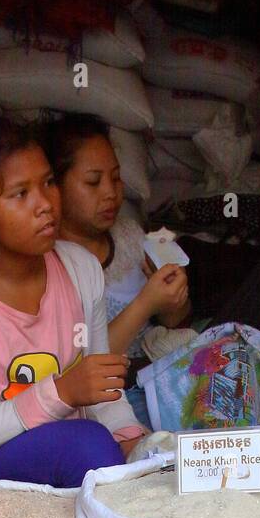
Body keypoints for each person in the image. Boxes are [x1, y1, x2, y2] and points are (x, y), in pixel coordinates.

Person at [0, 116, 145, 489]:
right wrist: (61, 392)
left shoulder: (81, 269)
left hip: (72, 456)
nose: (45, 205)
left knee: (145, 453)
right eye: (20, 194)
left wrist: (130, 439)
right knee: (86, 443)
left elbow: (102, 392)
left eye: (49, 183)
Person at [43, 115, 191, 361]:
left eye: (115, 178)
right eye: (93, 182)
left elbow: (174, 320)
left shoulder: (128, 234)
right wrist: (145, 303)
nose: (111, 192)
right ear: (54, 188)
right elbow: (79, 366)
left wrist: (173, 298)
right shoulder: (53, 268)